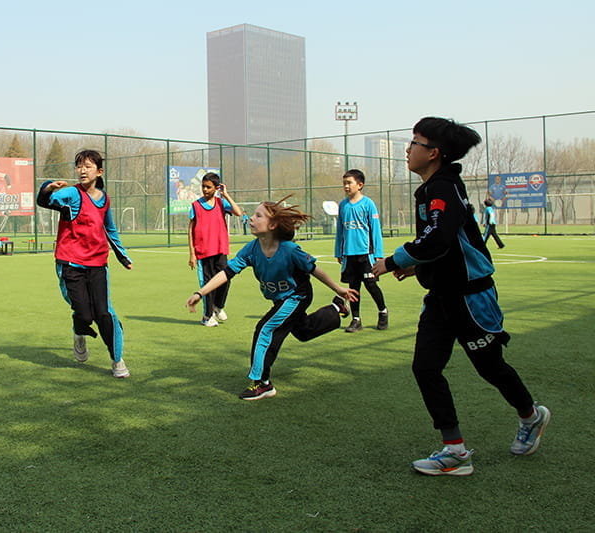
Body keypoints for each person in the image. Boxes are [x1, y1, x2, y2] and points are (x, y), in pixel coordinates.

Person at [371, 117, 550, 476]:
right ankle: (455, 451)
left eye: (415, 142)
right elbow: (444, 248)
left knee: (490, 367)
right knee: (425, 367)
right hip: (441, 297)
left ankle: (531, 416)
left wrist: (392, 262)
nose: (408, 149)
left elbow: (438, 239)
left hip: (471, 297)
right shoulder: (431, 188)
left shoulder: (443, 187)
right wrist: (418, 267)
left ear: (433, 152)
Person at [186, 196, 358, 400]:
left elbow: (315, 270)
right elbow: (226, 273)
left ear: (273, 224)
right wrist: (200, 293)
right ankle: (336, 309)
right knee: (303, 331)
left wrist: (339, 288)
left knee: (265, 329)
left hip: (297, 296)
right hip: (280, 299)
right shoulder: (251, 249)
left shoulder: (290, 250)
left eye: (258, 216)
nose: (251, 218)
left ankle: (262, 383)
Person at [36, 149, 133, 378]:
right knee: (83, 313)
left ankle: (117, 360)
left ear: (99, 172)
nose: (82, 170)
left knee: (104, 313)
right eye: (79, 166)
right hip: (70, 263)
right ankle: (79, 332)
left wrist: (122, 255)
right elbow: (44, 201)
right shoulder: (70, 194)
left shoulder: (105, 199)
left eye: (88, 166)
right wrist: (49, 186)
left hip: (98, 263)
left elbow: (109, 228)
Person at [334, 169, 388, 332]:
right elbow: (340, 232)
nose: (346, 186)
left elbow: (375, 230)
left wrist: (378, 254)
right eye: (344, 183)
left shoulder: (368, 204)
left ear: (360, 185)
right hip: (349, 254)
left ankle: (383, 312)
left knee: (371, 285)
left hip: (366, 254)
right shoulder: (343, 205)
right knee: (353, 288)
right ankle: (356, 319)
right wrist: (339, 252)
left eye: (349, 182)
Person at [187, 172, 242, 327]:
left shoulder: (221, 203)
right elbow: (190, 230)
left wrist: (226, 195)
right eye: (203, 186)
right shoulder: (196, 206)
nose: (205, 189)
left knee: (226, 279)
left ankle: (218, 307)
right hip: (203, 252)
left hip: (220, 249)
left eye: (208, 187)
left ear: (216, 188)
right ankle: (207, 316)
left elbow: (238, 212)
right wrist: (192, 254)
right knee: (208, 284)